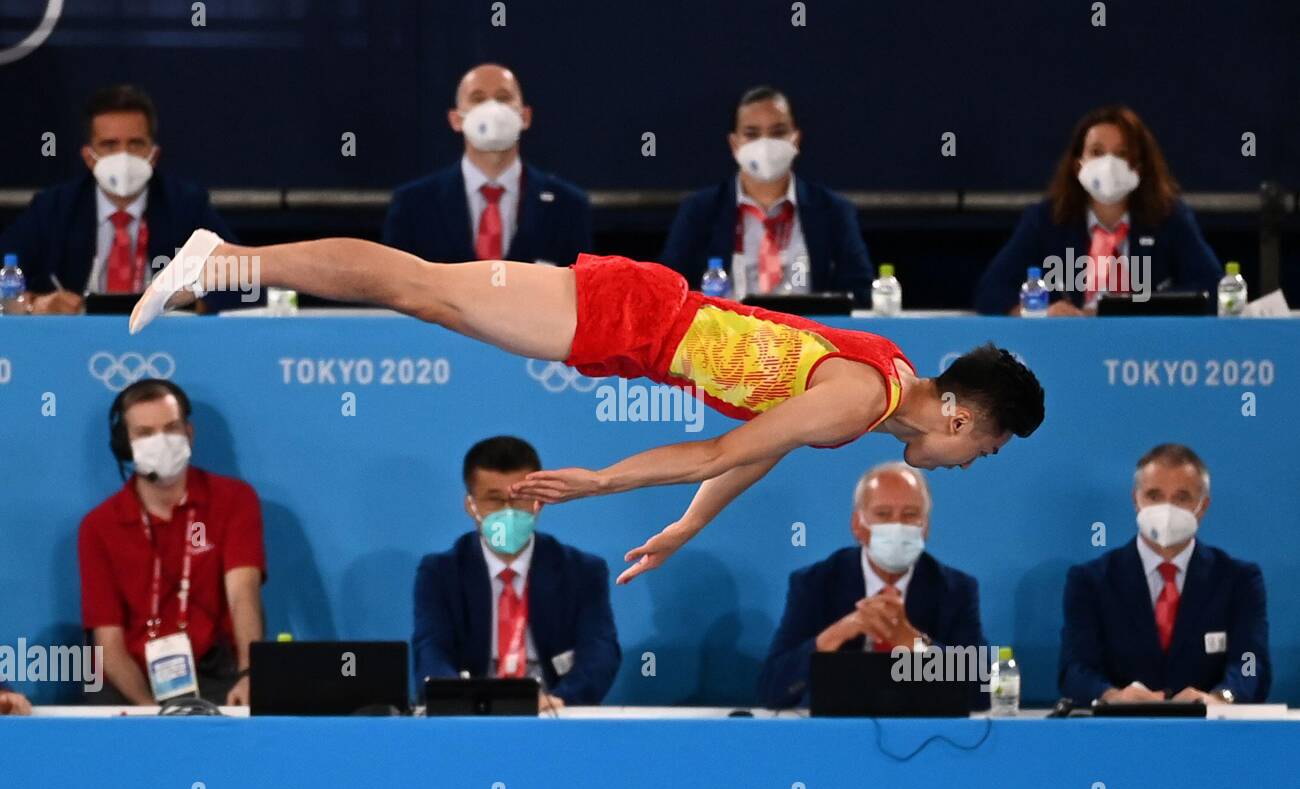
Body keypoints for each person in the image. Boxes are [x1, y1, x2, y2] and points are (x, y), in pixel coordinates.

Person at [130, 232, 1045, 584]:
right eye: (990, 451)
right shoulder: (859, 399)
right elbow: (711, 450)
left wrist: (685, 528)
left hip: (639, 328)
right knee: (425, 291)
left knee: (431, 295)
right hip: (634, 318)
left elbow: (750, 453)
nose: (974, 465)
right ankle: (222, 262)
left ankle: (225, 263)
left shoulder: (884, 382)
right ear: (963, 418)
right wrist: (602, 481)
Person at [78, 379, 267, 705]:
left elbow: (243, 596)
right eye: (145, 433)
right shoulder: (99, 526)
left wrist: (250, 673)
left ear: (189, 434)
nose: (161, 441)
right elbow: (108, 642)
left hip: (214, 673)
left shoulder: (233, 500)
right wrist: (154, 718)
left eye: (171, 428)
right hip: (129, 681)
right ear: (126, 446)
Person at [413, 437, 621, 710]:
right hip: (472, 713)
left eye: (519, 499)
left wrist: (562, 699)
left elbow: (600, 651)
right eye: (494, 500)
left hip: (552, 711)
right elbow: (431, 649)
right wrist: (458, 699)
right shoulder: (441, 572)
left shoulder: (581, 570)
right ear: (470, 505)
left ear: (540, 502)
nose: (507, 513)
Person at [759, 462, 986, 709]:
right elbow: (772, 690)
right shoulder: (816, 583)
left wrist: (912, 642)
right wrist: (835, 635)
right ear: (858, 525)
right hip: (837, 732)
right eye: (883, 514)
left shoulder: (954, 589)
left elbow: (980, 693)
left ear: (925, 527)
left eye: (910, 514)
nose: (897, 526)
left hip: (922, 733)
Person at [1059, 444, 1270, 704]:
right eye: (1154, 495)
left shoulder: (1239, 580)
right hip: (1120, 732)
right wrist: (1113, 697)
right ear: (1136, 500)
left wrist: (1220, 698)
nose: (1167, 509)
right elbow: (1075, 669)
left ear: (1202, 506)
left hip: (1211, 731)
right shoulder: (1091, 581)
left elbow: (1251, 663)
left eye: (1182, 498)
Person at [0, 84, 235, 314]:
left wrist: (195, 307)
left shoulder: (187, 206)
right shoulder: (53, 208)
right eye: (109, 145)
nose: (123, 156)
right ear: (89, 157)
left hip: (166, 341)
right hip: (74, 339)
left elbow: (242, 281)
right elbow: (6, 273)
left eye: (135, 144)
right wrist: (34, 304)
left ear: (154, 154)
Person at [973, 105, 1221, 316]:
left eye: (1122, 154)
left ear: (1140, 167)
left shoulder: (1169, 218)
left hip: (1145, 350)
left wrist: (1135, 307)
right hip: (1071, 346)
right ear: (1077, 164)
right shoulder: (1047, 219)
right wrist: (1038, 312)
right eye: (1097, 152)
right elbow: (991, 291)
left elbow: (1213, 288)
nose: (1109, 165)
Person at [660, 85, 872, 300]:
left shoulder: (833, 210)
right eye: (752, 134)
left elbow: (860, 292)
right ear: (734, 144)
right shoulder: (700, 210)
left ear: (796, 140)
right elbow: (670, 289)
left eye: (778, 132)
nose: (765, 144)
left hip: (808, 331)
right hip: (728, 332)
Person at [383, 63, 591, 266]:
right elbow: (394, 291)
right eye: (478, 99)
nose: (492, 109)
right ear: (456, 120)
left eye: (503, 98)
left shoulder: (568, 206)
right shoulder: (413, 205)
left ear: (525, 117)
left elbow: (582, 293)